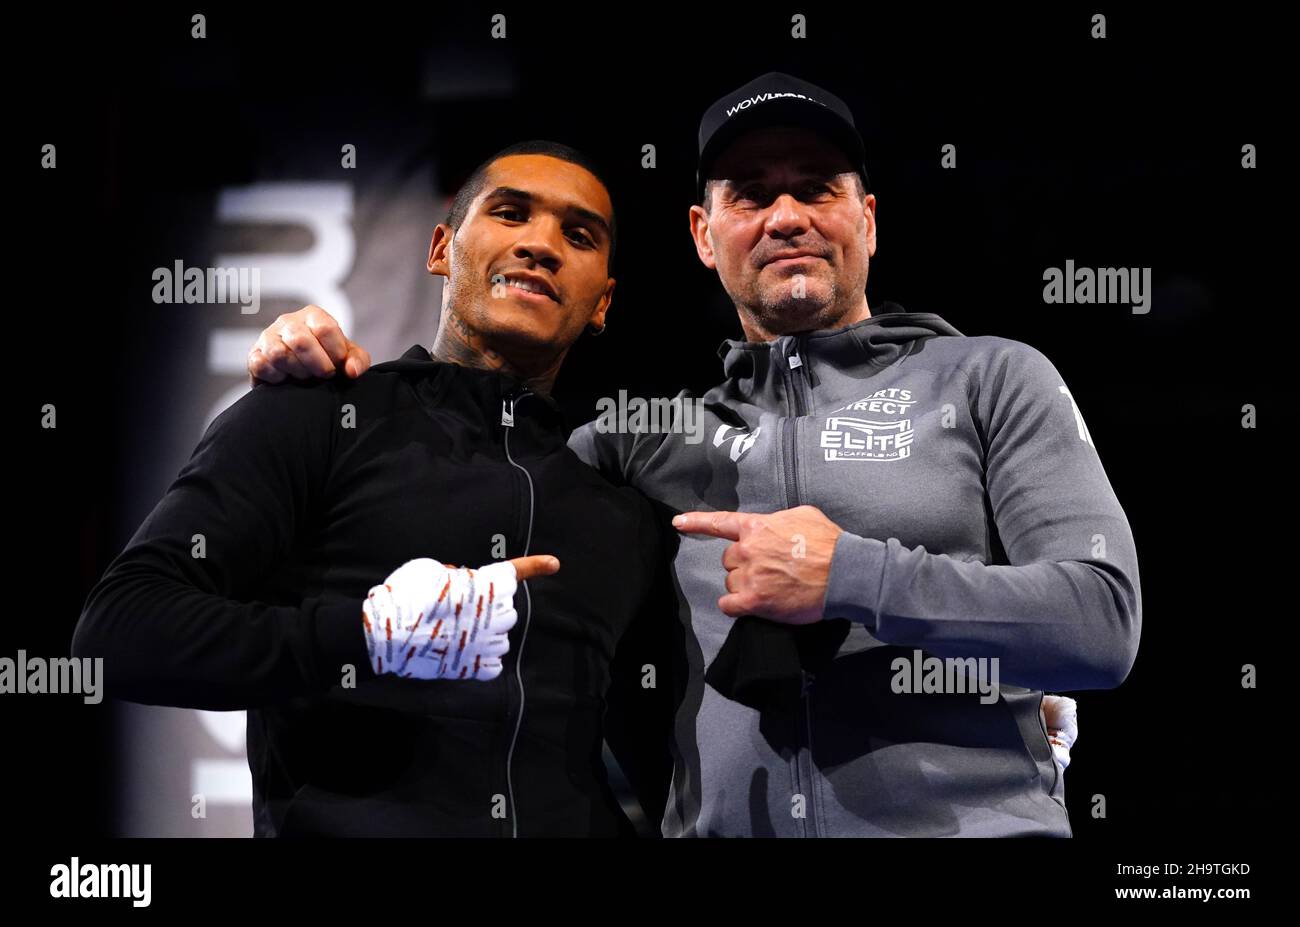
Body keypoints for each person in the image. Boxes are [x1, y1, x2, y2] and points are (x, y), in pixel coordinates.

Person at [248, 73, 1142, 837]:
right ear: (703, 236)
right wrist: (322, 361)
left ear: (866, 219)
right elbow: (473, 454)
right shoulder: (642, 438)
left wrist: (855, 575)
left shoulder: (991, 378)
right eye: (749, 194)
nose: (786, 215)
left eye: (818, 187)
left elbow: (1101, 623)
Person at [73, 140, 678, 837]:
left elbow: (669, 770)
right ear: (441, 249)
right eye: (510, 213)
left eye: (579, 235)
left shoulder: (620, 505)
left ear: (602, 302)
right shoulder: (316, 414)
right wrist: (367, 636)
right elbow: (118, 633)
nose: (540, 245)